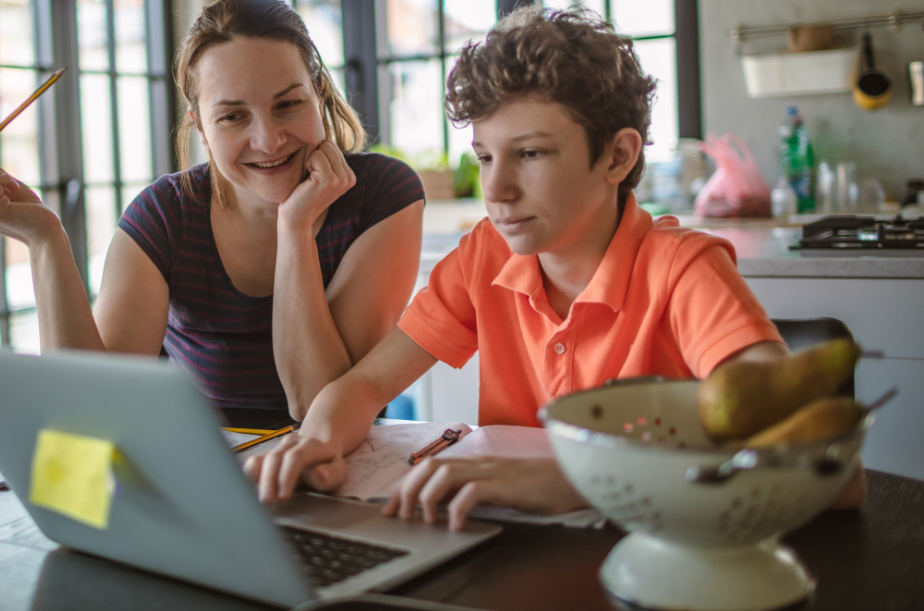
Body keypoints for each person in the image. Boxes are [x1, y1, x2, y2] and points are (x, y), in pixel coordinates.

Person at [245, 7, 866, 528]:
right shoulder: (484, 255)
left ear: (617, 156)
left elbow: (830, 474)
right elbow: (366, 386)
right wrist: (319, 441)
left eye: (531, 154)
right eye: (485, 157)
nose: (499, 190)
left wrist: (583, 480)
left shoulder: (683, 270)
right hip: (513, 547)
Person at [0, 0, 425, 429]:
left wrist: (294, 228)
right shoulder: (165, 216)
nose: (269, 140)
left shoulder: (384, 195)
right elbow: (90, 411)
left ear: (318, 95)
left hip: (342, 479)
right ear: (199, 124)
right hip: (203, 486)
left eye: (288, 104)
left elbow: (314, 403)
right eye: (233, 116)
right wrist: (45, 240)